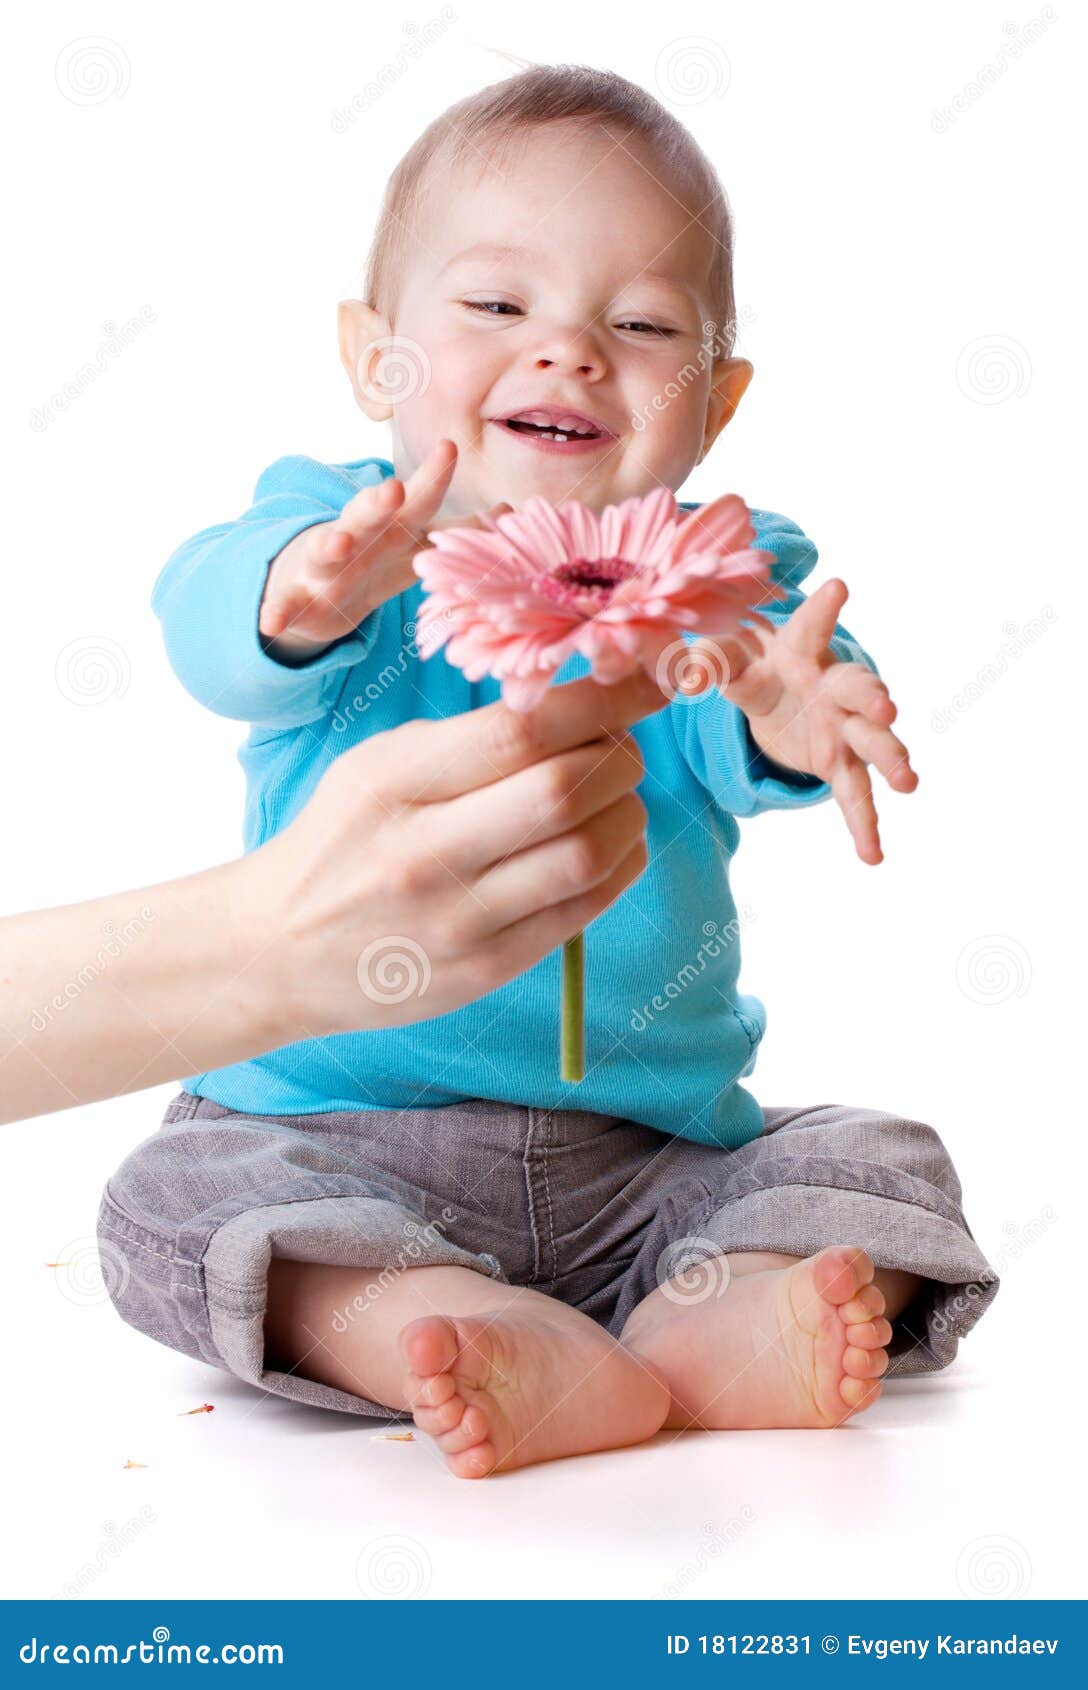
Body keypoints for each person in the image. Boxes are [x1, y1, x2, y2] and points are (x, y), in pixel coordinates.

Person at [97, 64, 998, 1480]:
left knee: (880, 1158)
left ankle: (726, 1318)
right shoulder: (347, 537)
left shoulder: (714, 578)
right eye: (498, 306)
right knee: (172, 1197)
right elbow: (210, 622)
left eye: (640, 325)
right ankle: (433, 1318)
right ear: (373, 354)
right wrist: (302, 593)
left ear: (719, 398)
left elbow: (763, 679)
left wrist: (794, 707)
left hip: (651, 1169)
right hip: (336, 1140)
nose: (568, 351)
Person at [1, 671, 658, 1123]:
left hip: (644, 1127)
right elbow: (224, 651)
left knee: (744, 1202)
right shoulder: (328, 515)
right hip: (325, 1116)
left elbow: (744, 728)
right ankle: (423, 1316)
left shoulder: (730, 561)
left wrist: (765, 725)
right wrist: (296, 611)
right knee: (189, 1200)